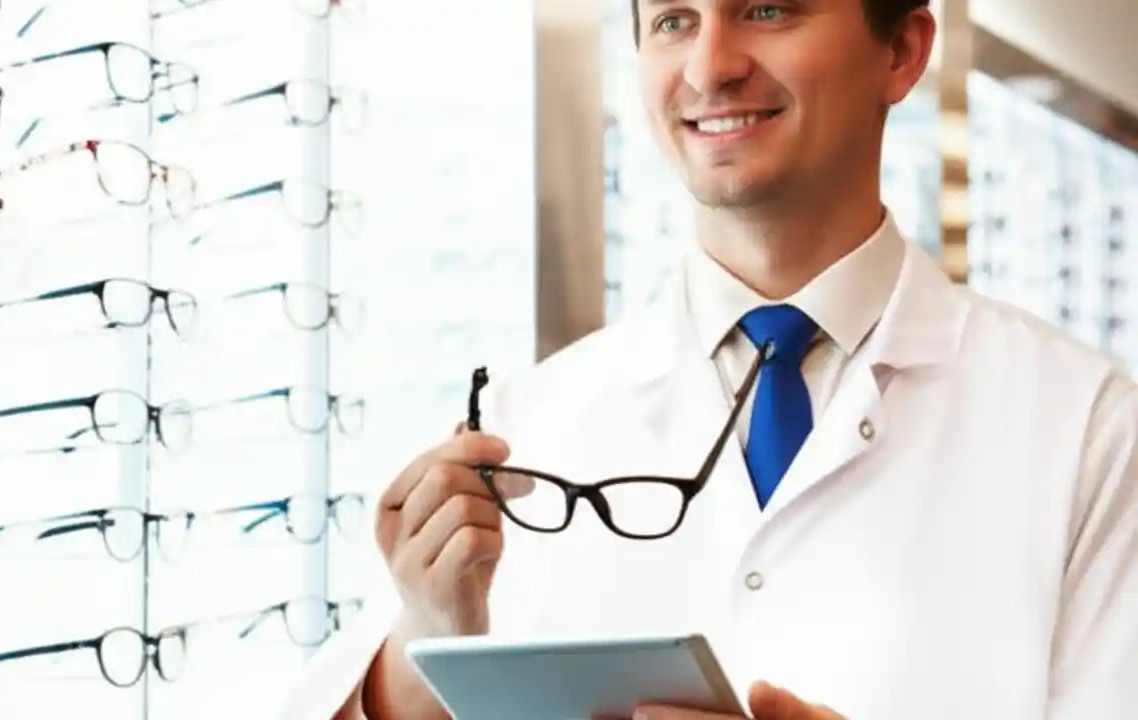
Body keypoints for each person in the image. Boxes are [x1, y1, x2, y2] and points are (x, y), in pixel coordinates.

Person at [287, 0, 1138, 718]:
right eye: (674, 21)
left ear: (904, 51)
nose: (710, 67)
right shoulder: (525, 431)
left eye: (767, 10)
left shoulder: (1088, 429)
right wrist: (425, 642)